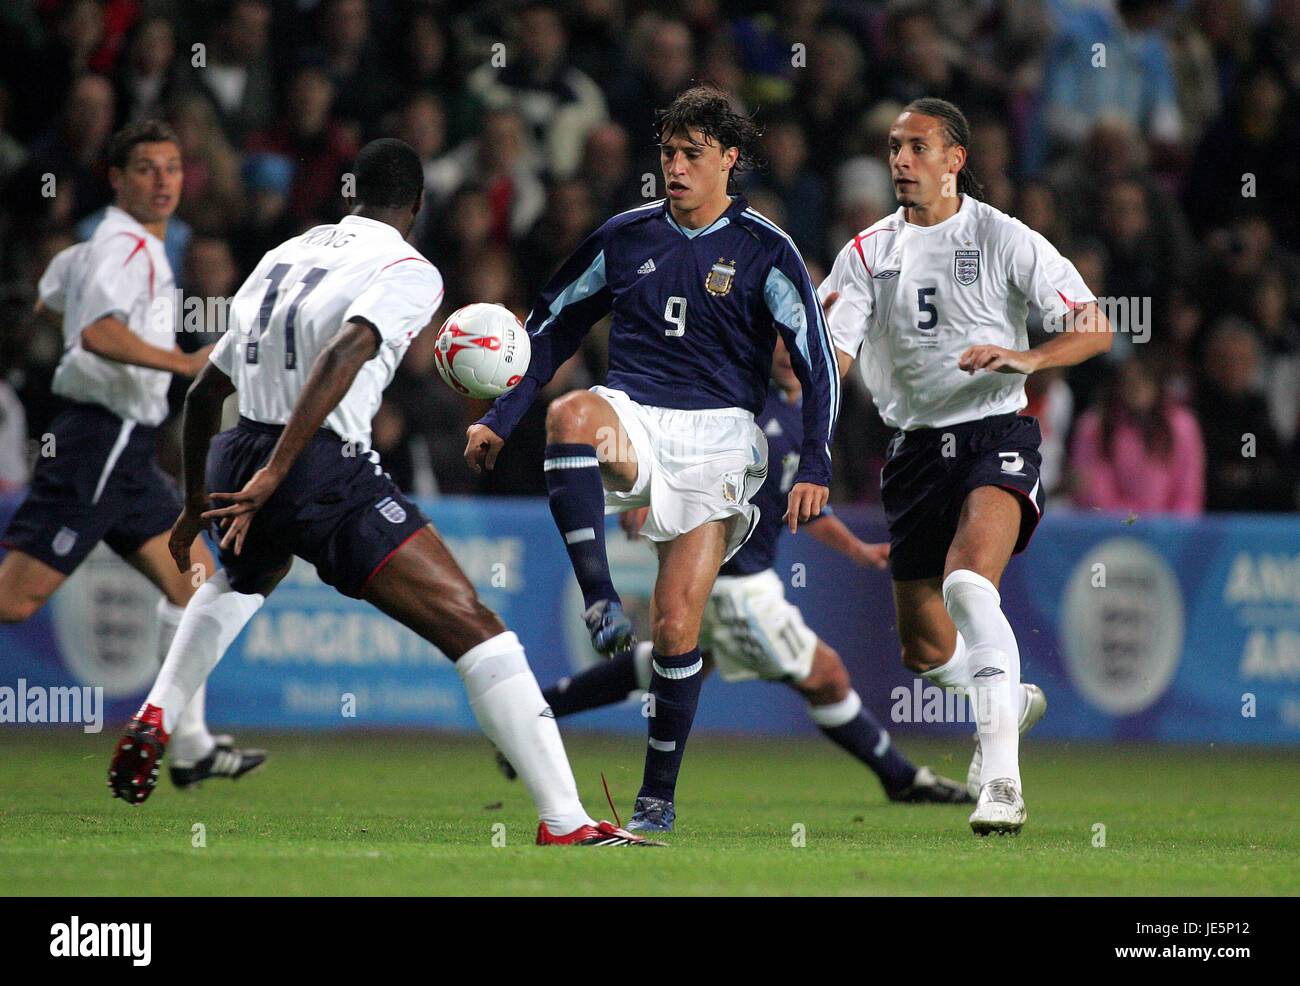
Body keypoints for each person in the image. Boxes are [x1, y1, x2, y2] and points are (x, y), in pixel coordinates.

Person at [107, 138, 652, 848]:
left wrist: (191, 503)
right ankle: (566, 822)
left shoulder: (285, 253)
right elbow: (348, 350)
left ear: (350, 193)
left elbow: (208, 388)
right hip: (315, 465)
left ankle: (157, 713)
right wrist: (280, 467)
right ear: (417, 208)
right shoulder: (408, 268)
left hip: (235, 453)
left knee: (246, 576)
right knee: (477, 629)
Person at [464, 86, 839, 832]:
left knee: (674, 629)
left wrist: (819, 460)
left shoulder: (768, 250)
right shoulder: (624, 238)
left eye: (691, 154)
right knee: (569, 413)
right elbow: (549, 330)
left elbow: (818, 361)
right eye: (667, 152)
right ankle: (600, 597)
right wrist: (500, 415)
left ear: (729, 160)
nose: (674, 166)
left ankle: (657, 797)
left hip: (722, 440)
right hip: (634, 416)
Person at [498, 342, 970, 820]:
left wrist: (857, 549)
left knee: (671, 663)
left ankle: (532, 715)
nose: (785, 354)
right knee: (825, 677)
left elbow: (804, 505)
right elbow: (673, 450)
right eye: (776, 344)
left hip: (728, 580)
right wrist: (643, 495)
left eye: (795, 344)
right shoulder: (739, 404)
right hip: (736, 585)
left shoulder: (800, 412)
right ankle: (901, 779)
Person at [821, 98, 1112, 835]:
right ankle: (1006, 697)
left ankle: (1003, 782)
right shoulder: (865, 253)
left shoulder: (1004, 236)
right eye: (893, 148)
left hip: (995, 436)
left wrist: (1029, 356)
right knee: (923, 650)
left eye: (917, 147)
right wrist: (801, 378)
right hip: (913, 452)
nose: (900, 161)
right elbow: (835, 357)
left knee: (968, 583)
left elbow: (1095, 325)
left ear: (955, 160)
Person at [0, 119, 260, 789]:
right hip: (100, 439)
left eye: (173, 167)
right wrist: (181, 363)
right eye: (146, 168)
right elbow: (96, 332)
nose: (164, 180)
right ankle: (191, 740)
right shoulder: (124, 247)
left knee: (195, 579)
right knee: (16, 600)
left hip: (124, 443)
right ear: (117, 179)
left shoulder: (107, 246)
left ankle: (192, 742)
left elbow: (51, 297)